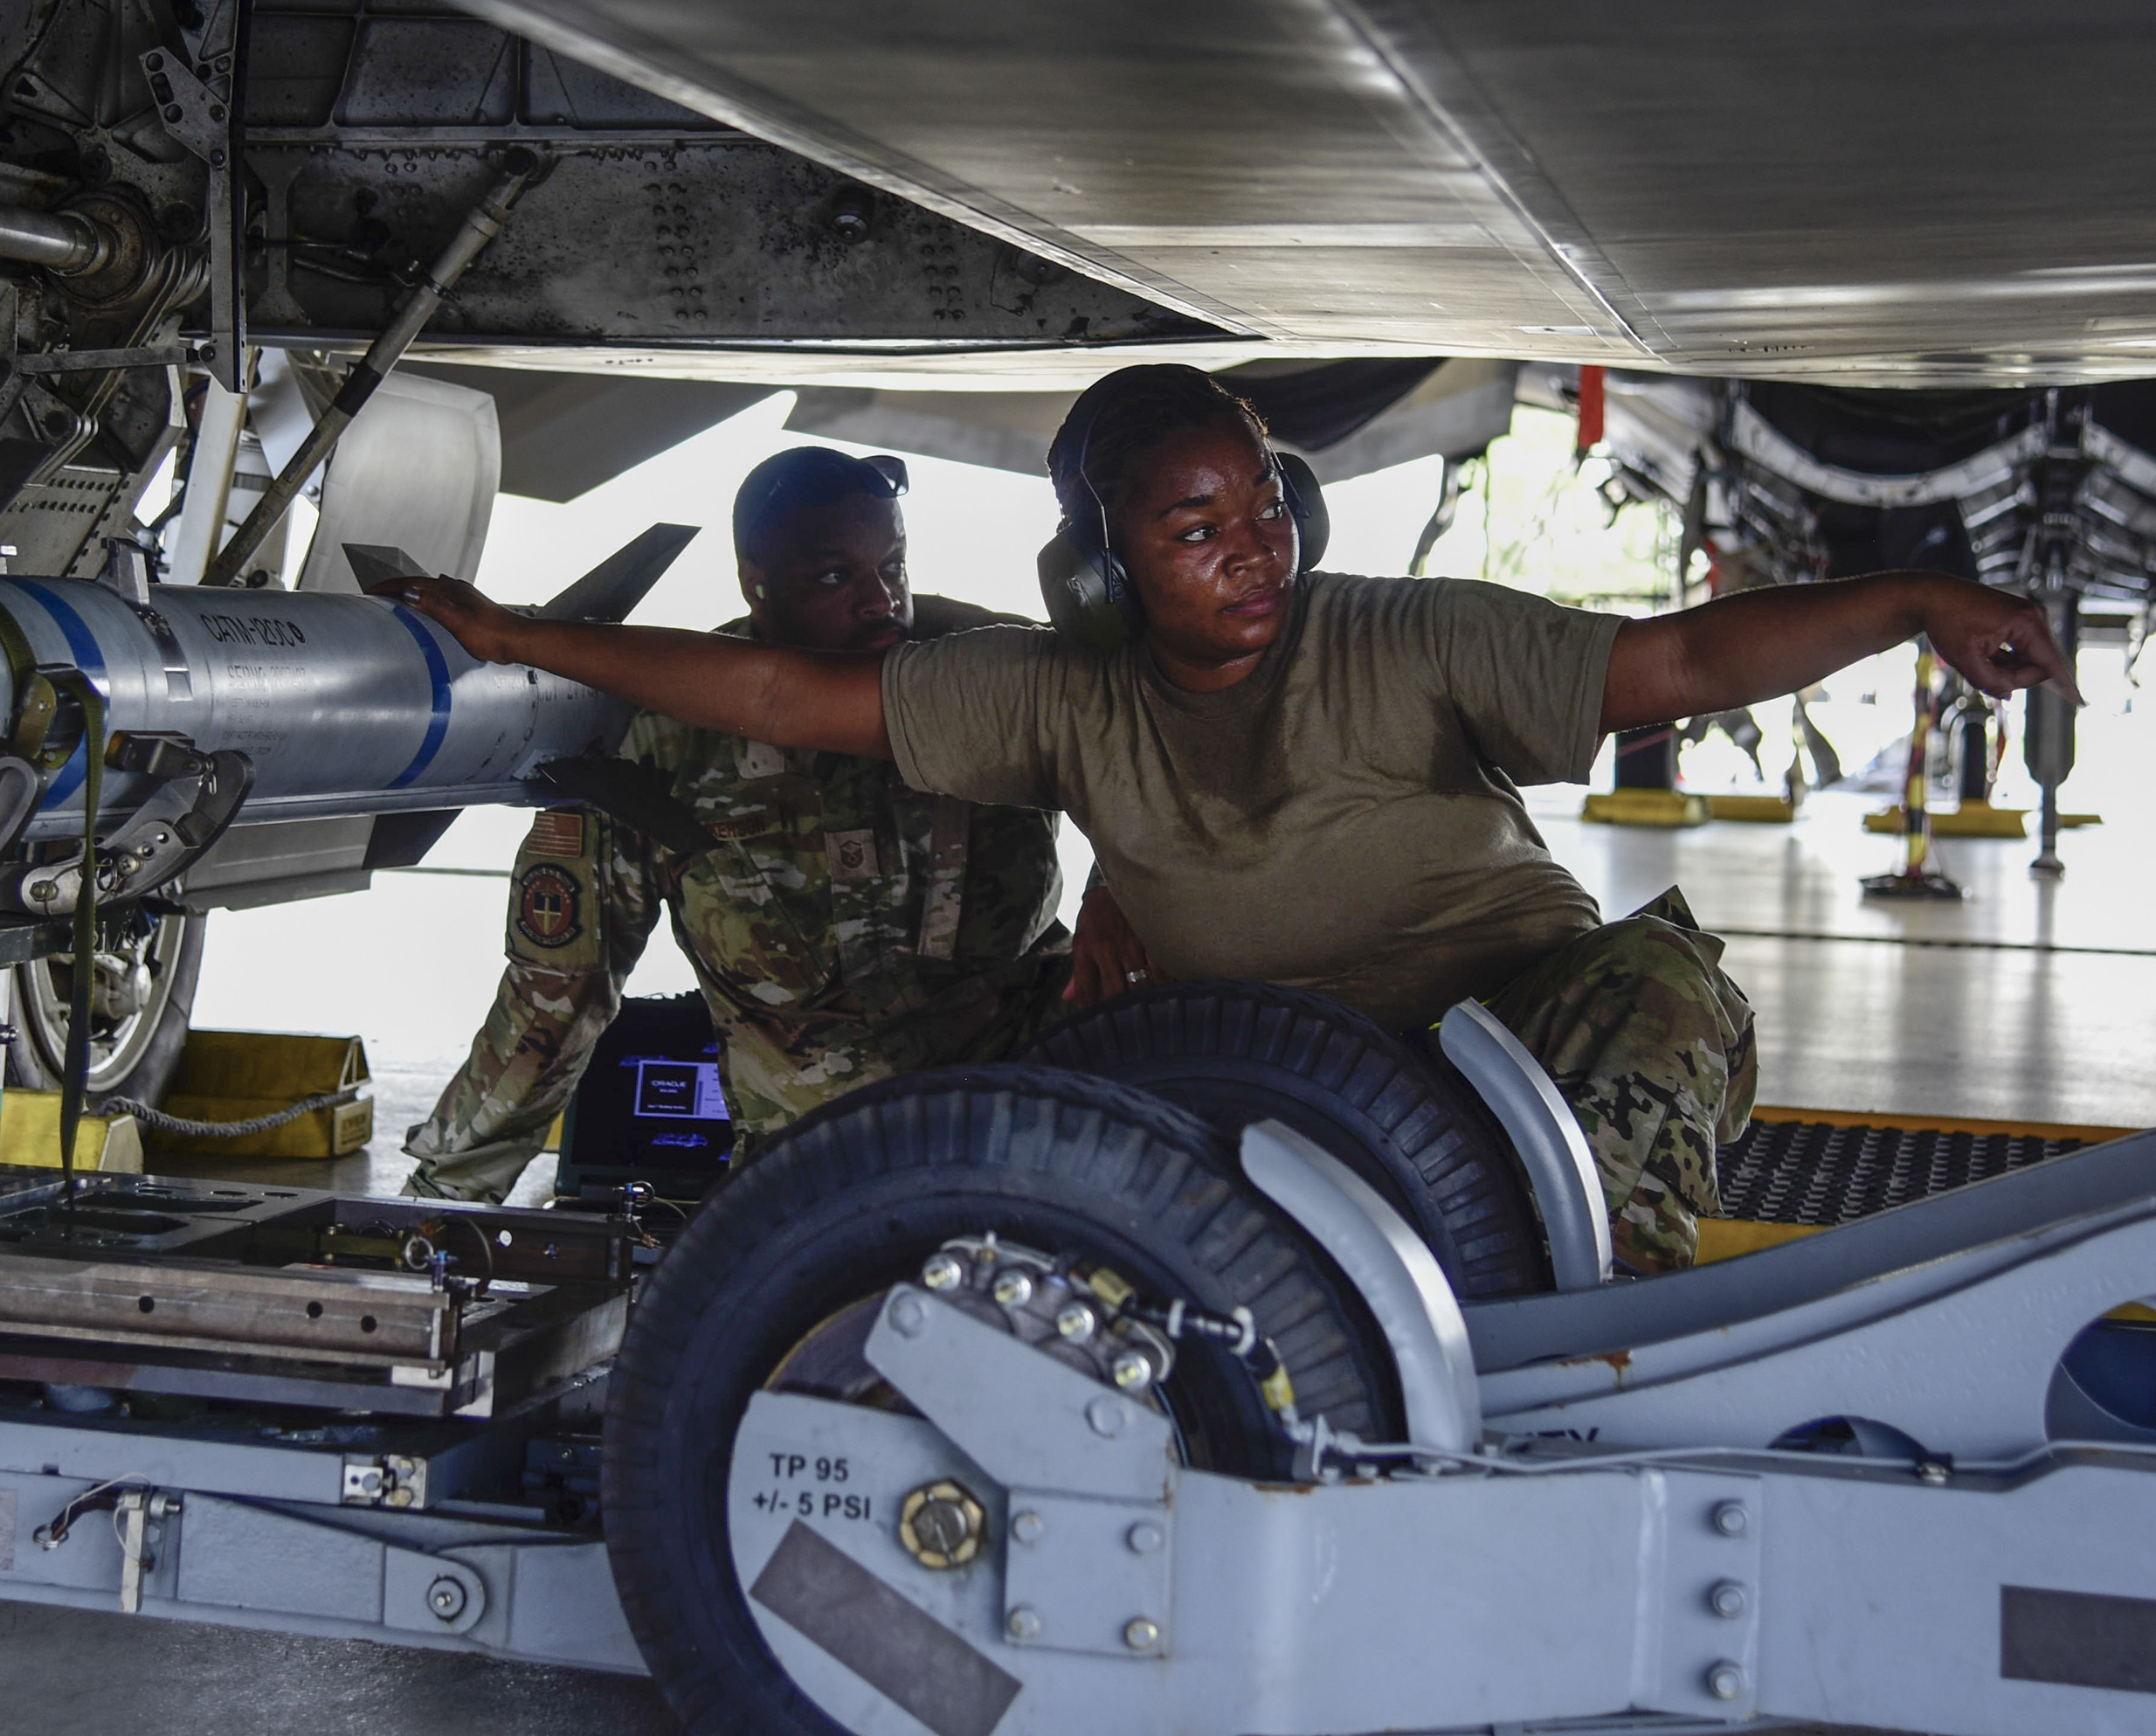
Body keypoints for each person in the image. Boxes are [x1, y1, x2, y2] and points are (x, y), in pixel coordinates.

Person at [379, 367, 2079, 1269]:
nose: (1252, 551)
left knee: (1656, 991)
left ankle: (1604, 1353)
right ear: (1105, 572)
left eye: (1263, 505)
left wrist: (1909, 598)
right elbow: (772, 696)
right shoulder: (1057, 693)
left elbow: (1683, 657)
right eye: (1195, 532)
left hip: (1516, 1041)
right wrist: (520, 633)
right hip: (1271, 1087)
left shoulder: (1408, 638)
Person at [403, 446, 1086, 1201]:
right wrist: (439, 1201)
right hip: (810, 1187)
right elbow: (557, 999)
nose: (882, 601)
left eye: (892, 565)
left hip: (1041, 1157)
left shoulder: (994, 682)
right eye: (834, 577)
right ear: (757, 585)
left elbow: (1151, 827)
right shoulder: (664, 742)